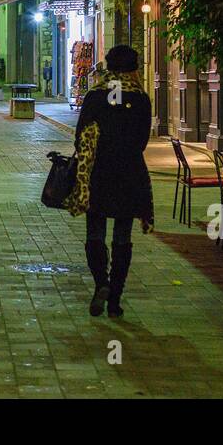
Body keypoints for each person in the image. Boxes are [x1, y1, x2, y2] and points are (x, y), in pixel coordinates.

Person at [65, 45, 153, 317]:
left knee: (95, 233)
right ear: (134, 69)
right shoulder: (140, 98)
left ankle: (100, 284)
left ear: (109, 67)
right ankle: (115, 298)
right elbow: (142, 141)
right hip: (129, 173)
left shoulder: (95, 96)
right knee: (122, 236)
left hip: (97, 173)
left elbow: (81, 137)